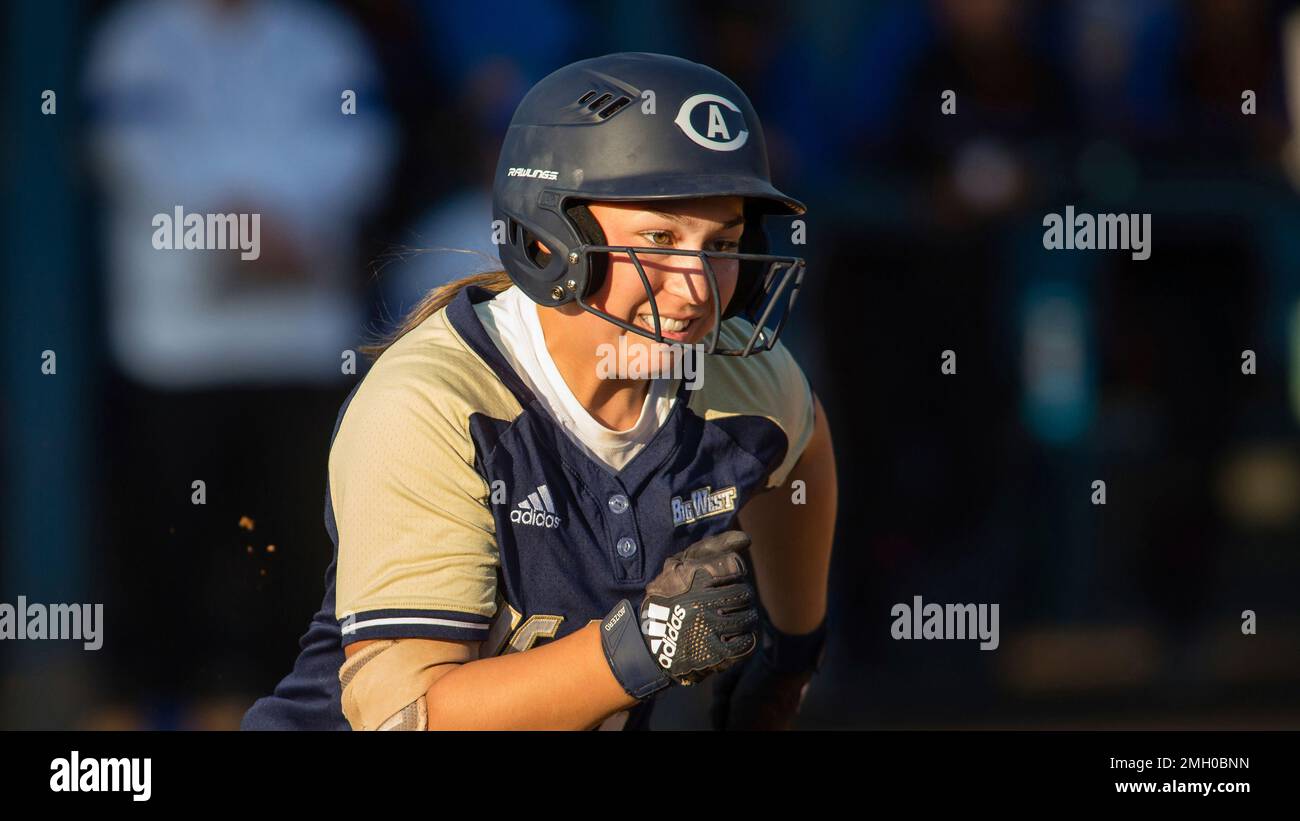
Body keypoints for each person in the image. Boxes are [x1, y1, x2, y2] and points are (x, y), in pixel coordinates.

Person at [242, 52, 836, 731]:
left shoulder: (735, 376)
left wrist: (791, 650)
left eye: (722, 242)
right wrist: (639, 650)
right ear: (552, 243)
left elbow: (804, 446)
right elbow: (404, 717)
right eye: (660, 239)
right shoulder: (434, 402)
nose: (697, 288)